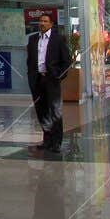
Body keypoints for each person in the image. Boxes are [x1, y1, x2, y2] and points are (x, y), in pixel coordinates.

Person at [26, 12, 73, 151]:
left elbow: (67, 61)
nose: (42, 23)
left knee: (55, 111)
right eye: (40, 21)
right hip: (37, 78)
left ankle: (56, 142)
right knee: (41, 110)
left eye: (45, 21)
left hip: (51, 78)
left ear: (51, 24)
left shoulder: (57, 39)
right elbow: (30, 59)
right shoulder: (33, 39)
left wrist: (58, 75)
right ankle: (47, 140)